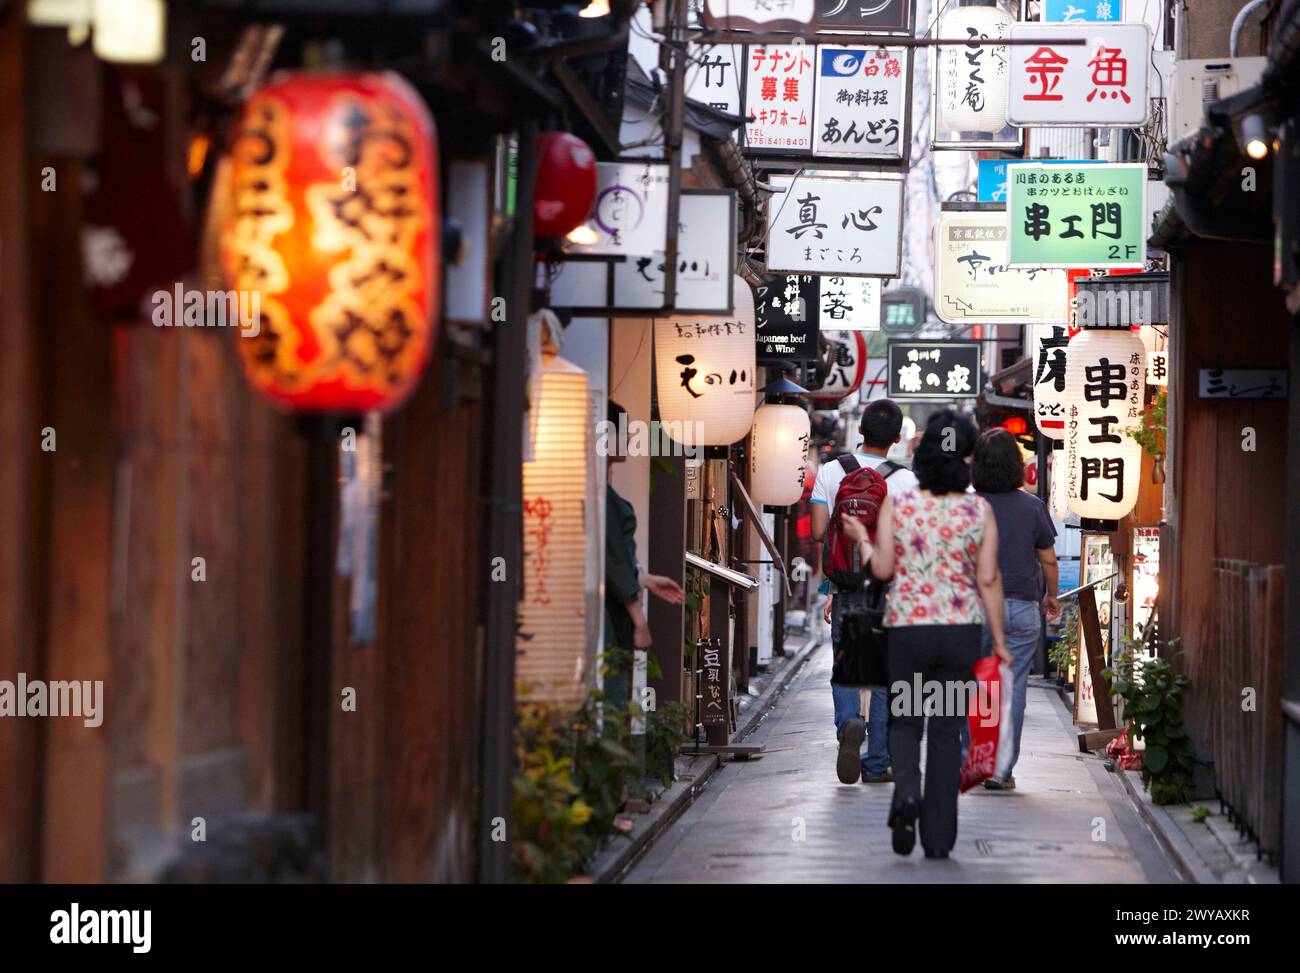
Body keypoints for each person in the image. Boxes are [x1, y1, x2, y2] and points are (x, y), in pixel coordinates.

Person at [843, 409, 1011, 859]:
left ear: (924, 454)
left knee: (905, 721)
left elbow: (881, 568)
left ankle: (906, 796)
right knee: (945, 731)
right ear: (967, 458)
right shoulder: (979, 509)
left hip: (907, 633)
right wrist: (998, 640)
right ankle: (939, 837)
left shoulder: (902, 504)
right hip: (959, 634)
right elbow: (989, 579)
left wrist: (861, 537)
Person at [810, 399, 918, 785]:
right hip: (890, 589)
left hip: (846, 585)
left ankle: (849, 723)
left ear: (861, 431)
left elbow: (821, 531)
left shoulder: (831, 470)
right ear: (894, 440)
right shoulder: (906, 481)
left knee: (845, 663)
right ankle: (876, 764)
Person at [972, 428, 1061, 790]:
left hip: (978, 609)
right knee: (1015, 687)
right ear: (1016, 464)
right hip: (1023, 608)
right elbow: (1049, 559)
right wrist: (1051, 595)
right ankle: (1002, 769)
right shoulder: (1032, 506)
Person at [604, 401, 685, 710]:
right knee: (612, 701)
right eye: (623, 432)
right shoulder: (601, 494)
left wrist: (644, 577)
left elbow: (613, 558)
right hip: (610, 617)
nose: (628, 439)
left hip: (610, 612)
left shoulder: (602, 490)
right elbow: (611, 561)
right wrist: (639, 619)